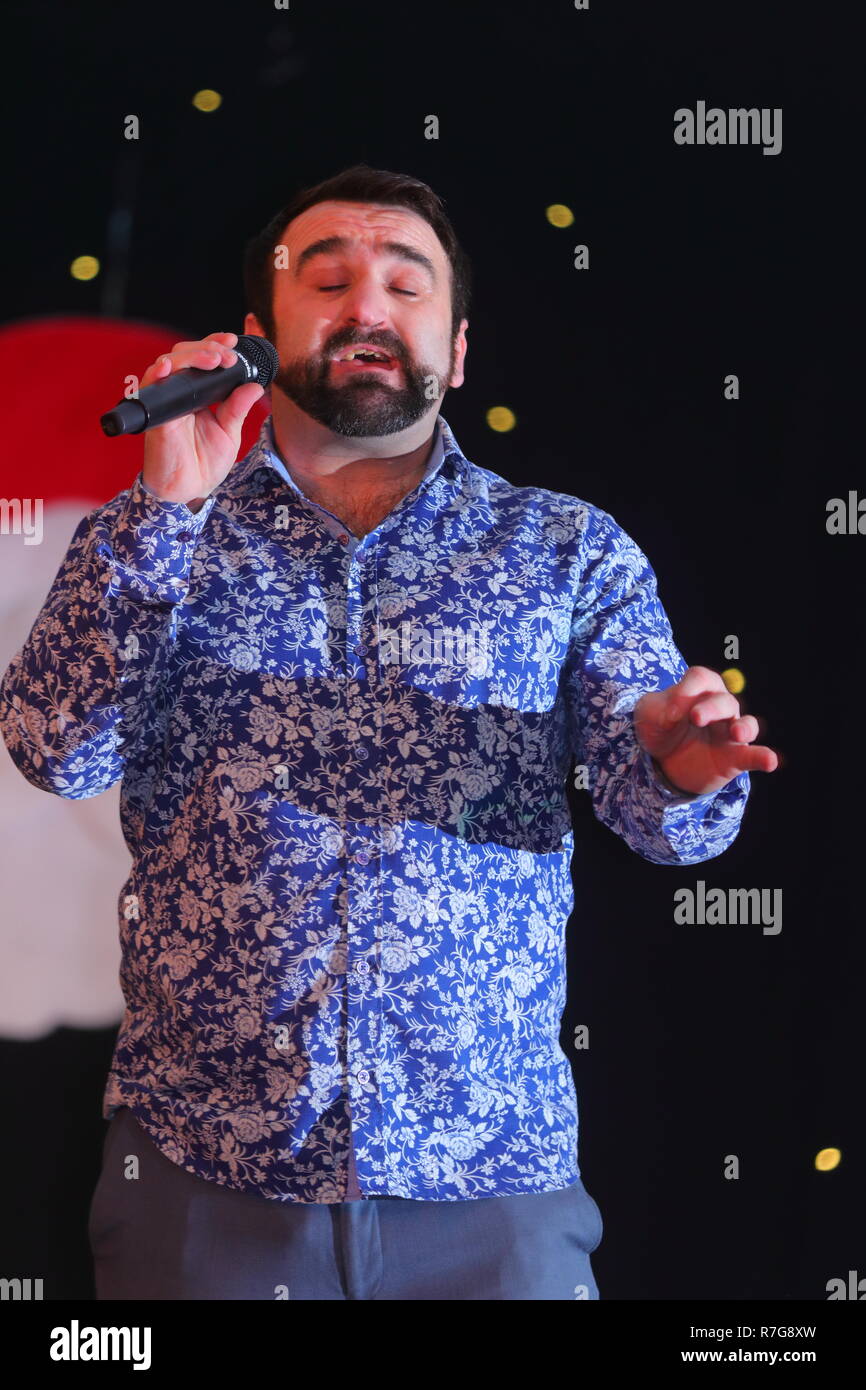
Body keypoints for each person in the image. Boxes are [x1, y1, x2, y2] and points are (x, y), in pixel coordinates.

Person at [0, 164, 777, 1301]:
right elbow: (51, 748)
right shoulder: (163, 532)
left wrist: (678, 765)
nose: (366, 306)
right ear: (258, 338)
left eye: (404, 284)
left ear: (454, 350)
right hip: (202, 1184)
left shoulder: (563, 552)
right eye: (328, 279)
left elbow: (670, 829)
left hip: (490, 1194)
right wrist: (164, 509)